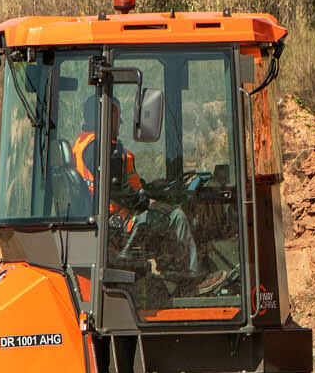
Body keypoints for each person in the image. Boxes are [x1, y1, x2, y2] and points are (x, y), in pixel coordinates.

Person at [74, 95, 224, 296]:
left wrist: (154, 190)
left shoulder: (86, 144)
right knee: (177, 217)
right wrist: (147, 202)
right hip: (122, 221)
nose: (121, 122)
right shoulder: (101, 148)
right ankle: (194, 279)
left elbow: (122, 184)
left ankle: (173, 276)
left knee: (165, 214)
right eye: (117, 116)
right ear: (103, 115)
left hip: (114, 216)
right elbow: (115, 188)